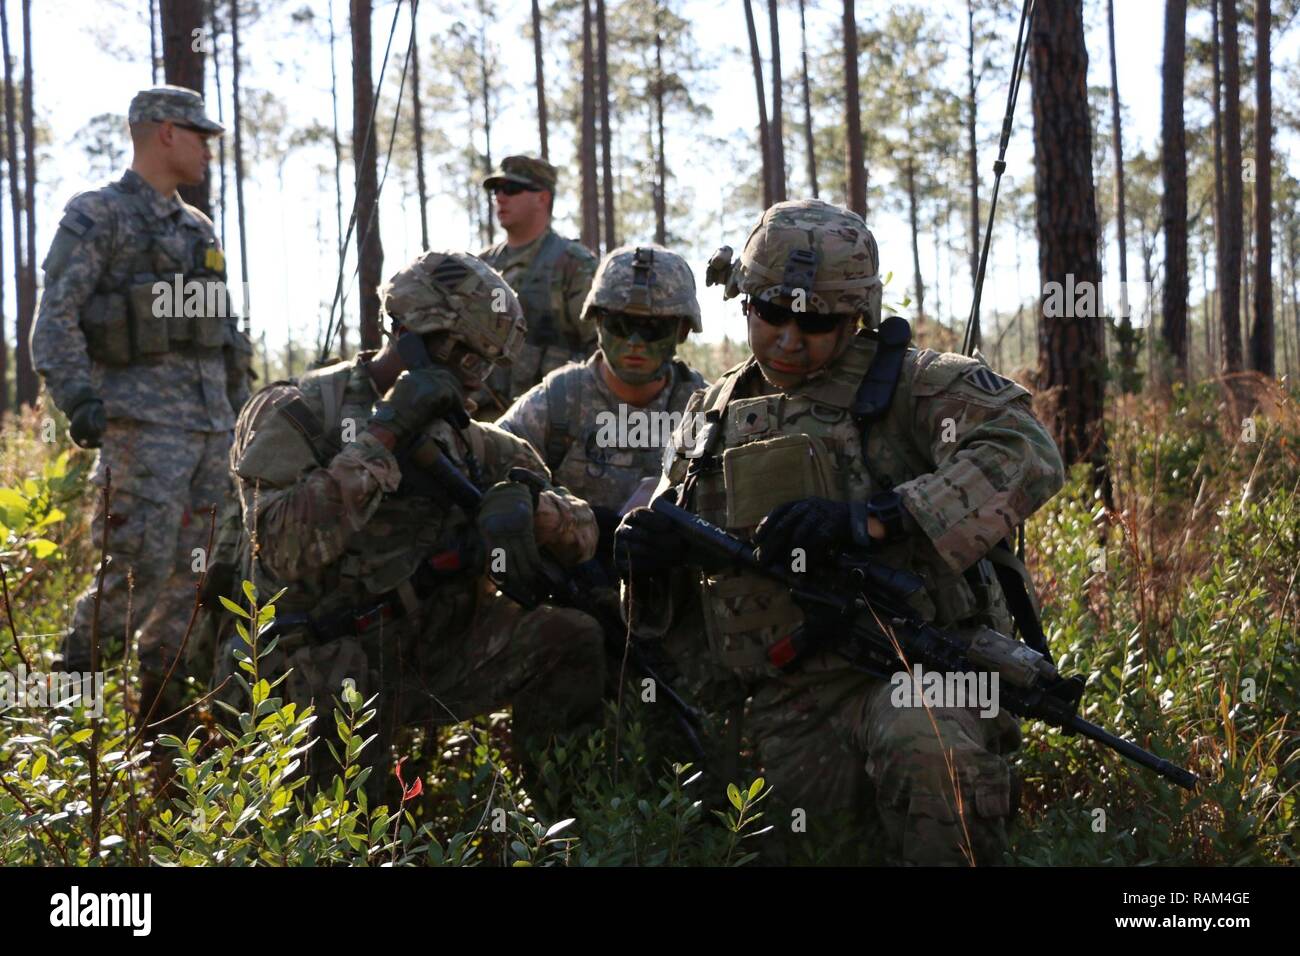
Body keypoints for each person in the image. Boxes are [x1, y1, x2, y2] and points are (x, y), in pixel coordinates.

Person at [614, 199, 1066, 865]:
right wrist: (648, 563)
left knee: (926, 741)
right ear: (743, 302)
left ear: (855, 317)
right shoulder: (707, 416)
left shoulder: (915, 385)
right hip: (775, 698)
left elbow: (1026, 451)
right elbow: (670, 587)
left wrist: (872, 519)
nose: (791, 339)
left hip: (908, 673)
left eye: (817, 321)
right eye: (772, 313)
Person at [217, 250, 605, 793]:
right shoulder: (298, 412)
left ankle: (557, 822)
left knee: (572, 636)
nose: (478, 384)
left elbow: (584, 532)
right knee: (351, 833)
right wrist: (386, 435)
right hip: (310, 662)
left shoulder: (471, 441)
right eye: (471, 361)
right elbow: (281, 545)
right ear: (419, 338)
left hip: (423, 653)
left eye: (491, 367)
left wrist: (539, 512)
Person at [30, 85, 252, 731]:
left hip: (212, 433)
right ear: (162, 133)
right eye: (198, 135)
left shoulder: (196, 227)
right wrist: (77, 397)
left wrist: (243, 413)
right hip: (142, 431)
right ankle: (69, 727)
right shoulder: (99, 215)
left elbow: (221, 332)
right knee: (131, 578)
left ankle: (162, 729)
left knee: (191, 583)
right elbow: (56, 320)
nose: (208, 150)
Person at [496, 244, 708, 552]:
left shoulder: (705, 410)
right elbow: (490, 470)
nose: (634, 342)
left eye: (653, 328)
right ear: (597, 322)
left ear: (682, 330)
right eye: (619, 325)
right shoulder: (557, 402)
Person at [474, 155, 598, 415]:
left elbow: (599, 348)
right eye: (497, 190)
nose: (500, 198)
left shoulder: (573, 264)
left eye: (511, 189)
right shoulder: (479, 267)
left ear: (542, 198)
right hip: (483, 424)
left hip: (552, 424)